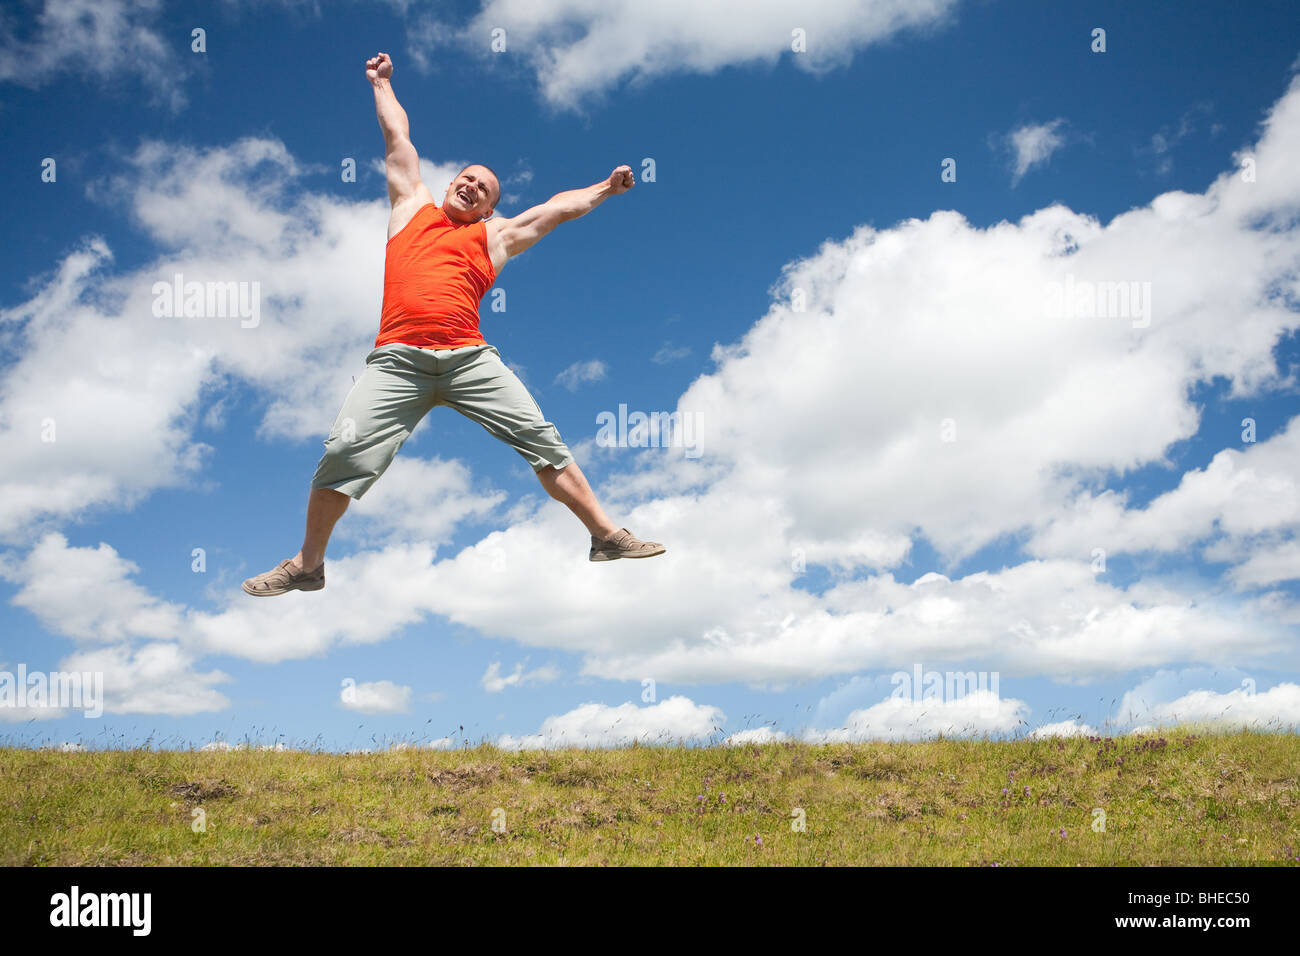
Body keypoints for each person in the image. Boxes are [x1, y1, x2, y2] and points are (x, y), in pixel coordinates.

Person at [242, 52, 664, 597]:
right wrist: (381, 85)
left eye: (482, 189)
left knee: (541, 438)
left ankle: (606, 535)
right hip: (396, 361)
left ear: (488, 209)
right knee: (344, 452)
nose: (470, 186)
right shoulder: (410, 207)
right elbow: (399, 139)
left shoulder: (494, 237)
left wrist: (604, 189)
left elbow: (556, 209)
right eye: (466, 178)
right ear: (450, 184)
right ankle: (307, 565)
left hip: (469, 359)